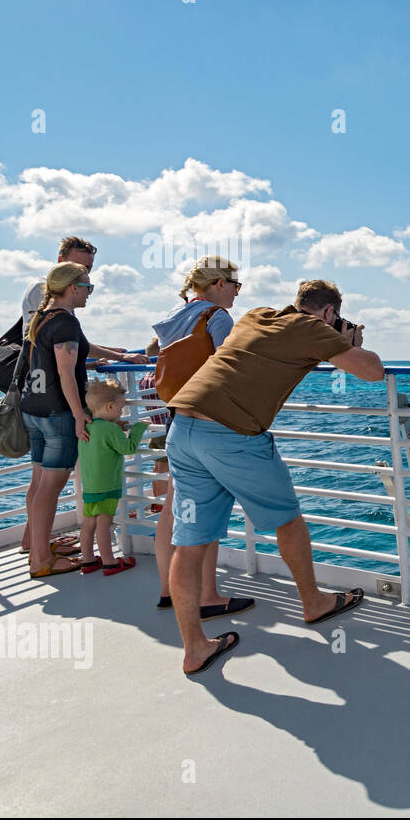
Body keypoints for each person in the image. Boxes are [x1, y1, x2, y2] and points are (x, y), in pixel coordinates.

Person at [166, 279, 385, 675]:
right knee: (287, 519)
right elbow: (372, 372)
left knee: (190, 542)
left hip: (183, 427)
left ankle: (195, 648)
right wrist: (347, 342)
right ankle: (314, 603)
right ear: (330, 312)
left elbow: (267, 355)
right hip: (231, 432)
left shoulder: (256, 315)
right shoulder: (314, 328)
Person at [18, 235, 148, 559]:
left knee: (40, 482)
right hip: (55, 411)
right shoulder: (63, 320)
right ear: (72, 287)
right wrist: (79, 414)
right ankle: (41, 559)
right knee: (51, 485)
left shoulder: (44, 315)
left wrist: (100, 356)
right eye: (87, 285)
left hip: (33, 406)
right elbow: (64, 370)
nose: (91, 290)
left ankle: (34, 546)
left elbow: (60, 353)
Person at [149, 256, 255, 620]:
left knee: (174, 506)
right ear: (219, 284)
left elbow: (156, 355)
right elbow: (232, 368)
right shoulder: (217, 317)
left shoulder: (174, 316)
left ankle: (168, 588)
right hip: (207, 419)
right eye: (236, 286)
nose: (237, 293)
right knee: (205, 508)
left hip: (175, 417)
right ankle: (207, 595)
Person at [75, 379, 147, 575]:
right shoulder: (111, 429)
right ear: (110, 406)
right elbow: (128, 448)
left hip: (90, 486)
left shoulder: (86, 428)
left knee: (89, 523)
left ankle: (88, 560)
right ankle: (109, 562)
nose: (121, 412)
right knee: (104, 524)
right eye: (121, 408)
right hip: (107, 486)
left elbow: (103, 439)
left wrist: (117, 425)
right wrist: (138, 429)